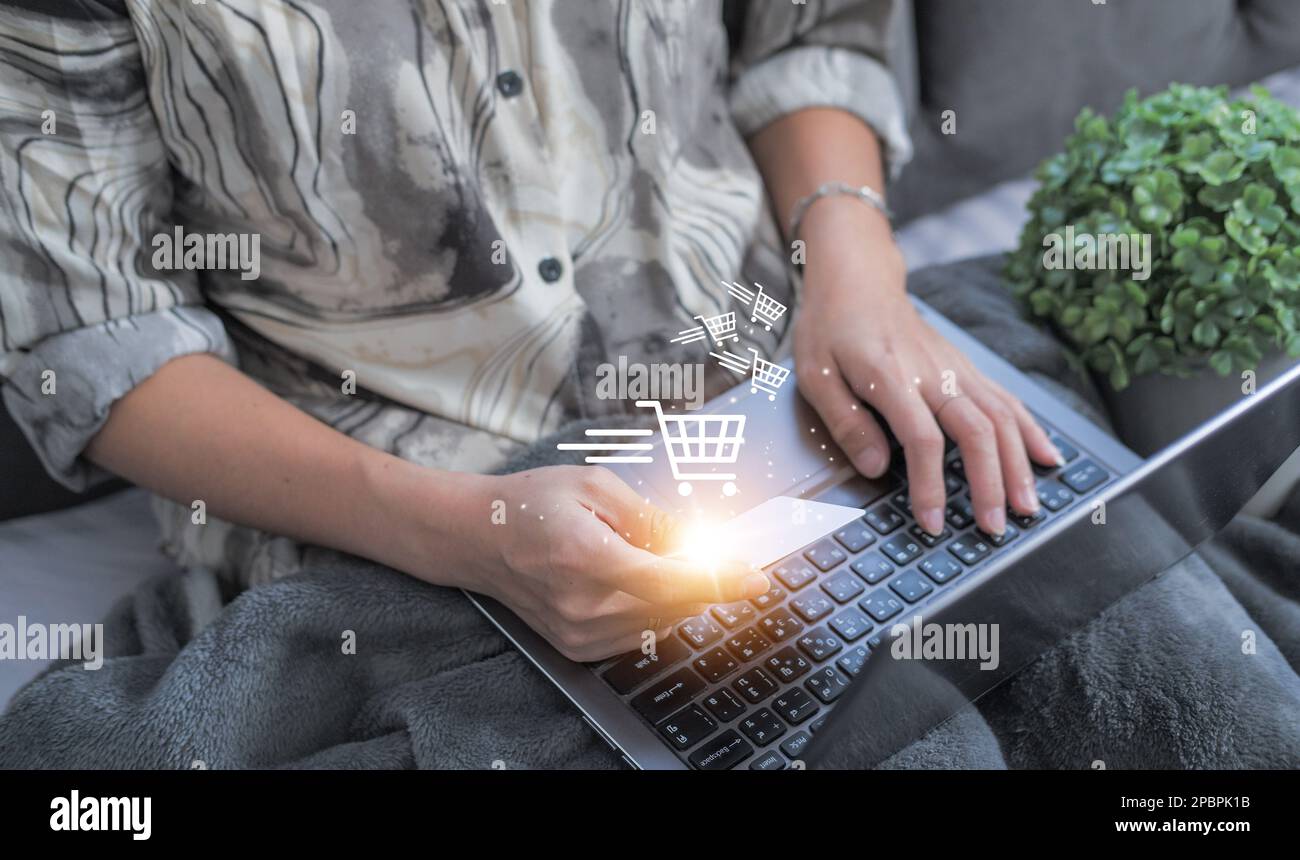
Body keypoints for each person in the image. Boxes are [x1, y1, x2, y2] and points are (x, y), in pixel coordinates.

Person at [0, 0, 1057, 663]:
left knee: (1068, 610)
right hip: (399, 513)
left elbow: (808, 32)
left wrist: (857, 273)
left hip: (770, 379)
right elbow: (95, 328)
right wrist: (464, 535)